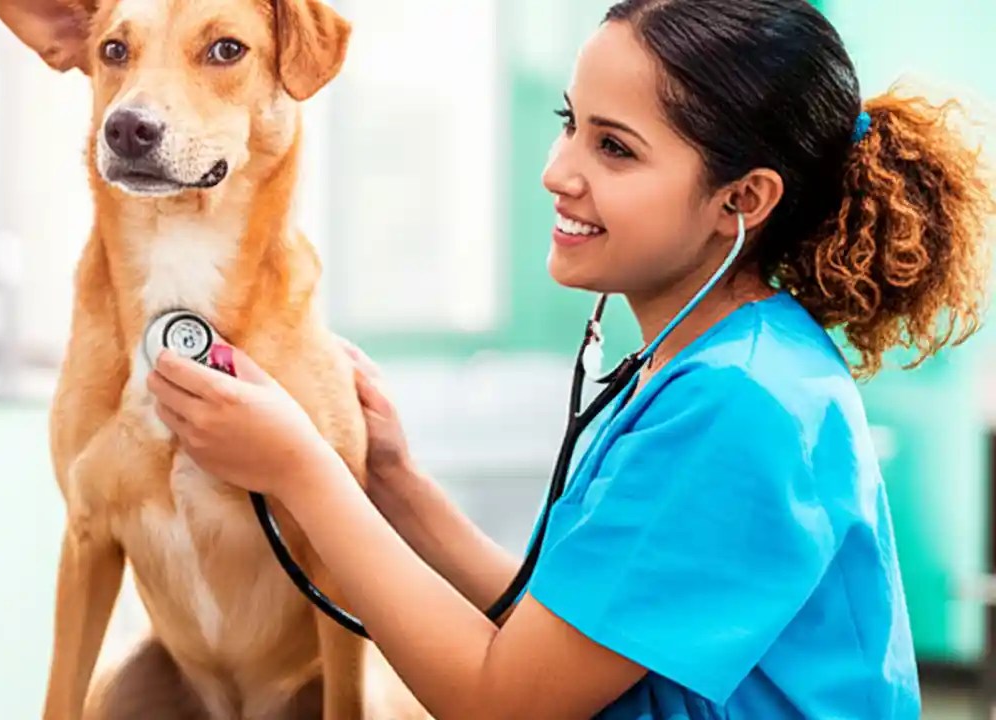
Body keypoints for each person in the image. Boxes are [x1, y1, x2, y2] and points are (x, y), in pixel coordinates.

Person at [144, 0, 996, 716]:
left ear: (741, 199)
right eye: (570, 125)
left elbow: (505, 700)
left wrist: (301, 473)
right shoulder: (709, 362)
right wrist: (394, 484)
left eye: (614, 147)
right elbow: (562, 629)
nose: (558, 171)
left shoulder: (741, 404)